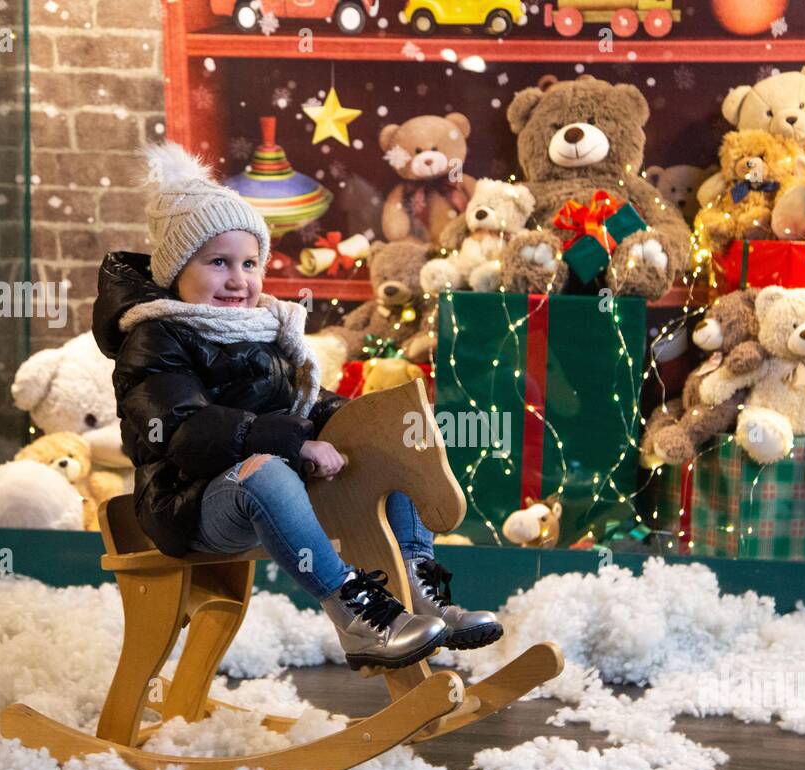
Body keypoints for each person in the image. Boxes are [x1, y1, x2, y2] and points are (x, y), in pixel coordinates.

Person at [90, 141, 502, 670]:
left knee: (383, 447)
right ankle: (356, 616)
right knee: (264, 472)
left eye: (249, 263)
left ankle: (420, 587)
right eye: (218, 263)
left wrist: (358, 423)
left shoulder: (264, 327)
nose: (238, 279)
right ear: (176, 271)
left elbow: (302, 403)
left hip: (272, 485)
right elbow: (182, 432)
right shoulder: (155, 338)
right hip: (189, 504)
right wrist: (289, 440)